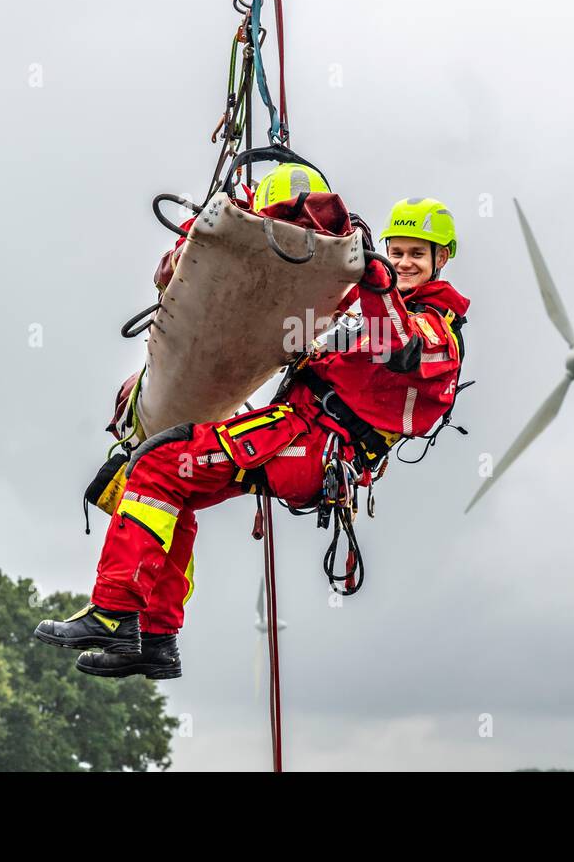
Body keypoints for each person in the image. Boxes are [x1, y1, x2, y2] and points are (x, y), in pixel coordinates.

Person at [35, 177, 470, 680]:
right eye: (396, 251)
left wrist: (374, 278)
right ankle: (154, 639)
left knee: (159, 463)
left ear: (443, 259)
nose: (404, 262)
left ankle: (113, 612)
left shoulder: (437, 330)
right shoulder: (378, 304)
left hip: (312, 445)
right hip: (297, 436)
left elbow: (399, 346)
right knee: (172, 485)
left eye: (418, 253)